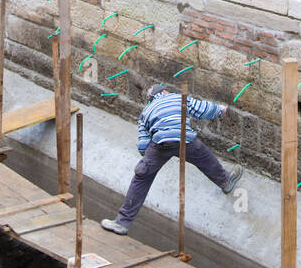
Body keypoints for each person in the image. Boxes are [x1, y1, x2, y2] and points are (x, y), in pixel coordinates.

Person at [102, 84, 243, 234]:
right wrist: (220, 110)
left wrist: (150, 158)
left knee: (141, 177)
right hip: (183, 136)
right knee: (204, 157)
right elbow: (202, 109)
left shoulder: (145, 112)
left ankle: (121, 222)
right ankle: (225, 181)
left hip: (159, 143)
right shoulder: (177, 98)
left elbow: (143, 146)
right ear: (164, 91)